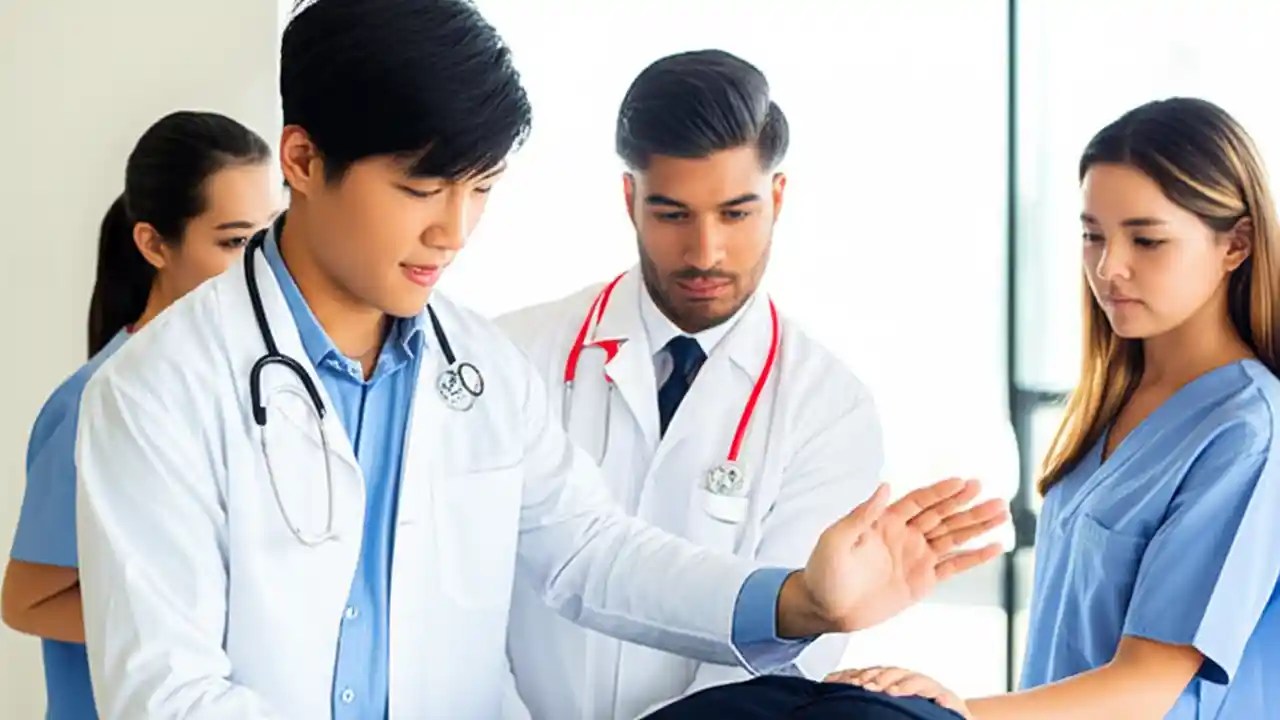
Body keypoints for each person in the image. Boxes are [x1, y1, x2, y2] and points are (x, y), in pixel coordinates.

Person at [71, 2, 1008, 718]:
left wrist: (798, 599)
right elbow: (168, 692)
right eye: (420, 188)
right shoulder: (157, 392)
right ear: (304, 161)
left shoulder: (478, 368)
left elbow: (591, 555)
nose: (454, 229)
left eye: (481, 189)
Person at [825, 97, 1280, 719]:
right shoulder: (1115, 408)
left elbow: (1151, 685)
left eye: (1147, 240)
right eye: (1093, 235)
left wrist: (957, 711)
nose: (1109, 267)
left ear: (1237, 245)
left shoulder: (1247, 433)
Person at [496, 49, 883, 720]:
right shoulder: (513, 357)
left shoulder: (831, 408)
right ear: (630, 200)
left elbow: (788, 654)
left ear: (778, 198)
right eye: (673, 215)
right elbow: (459, 593)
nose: (705, 253)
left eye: (736, 214)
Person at [0, 109, 277, 720]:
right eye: (233, 242)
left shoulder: (247, 387)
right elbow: (24, 601)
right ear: (154, 243)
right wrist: (203, 628)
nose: (261, 265)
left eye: (269, 236)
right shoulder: (95, 403)